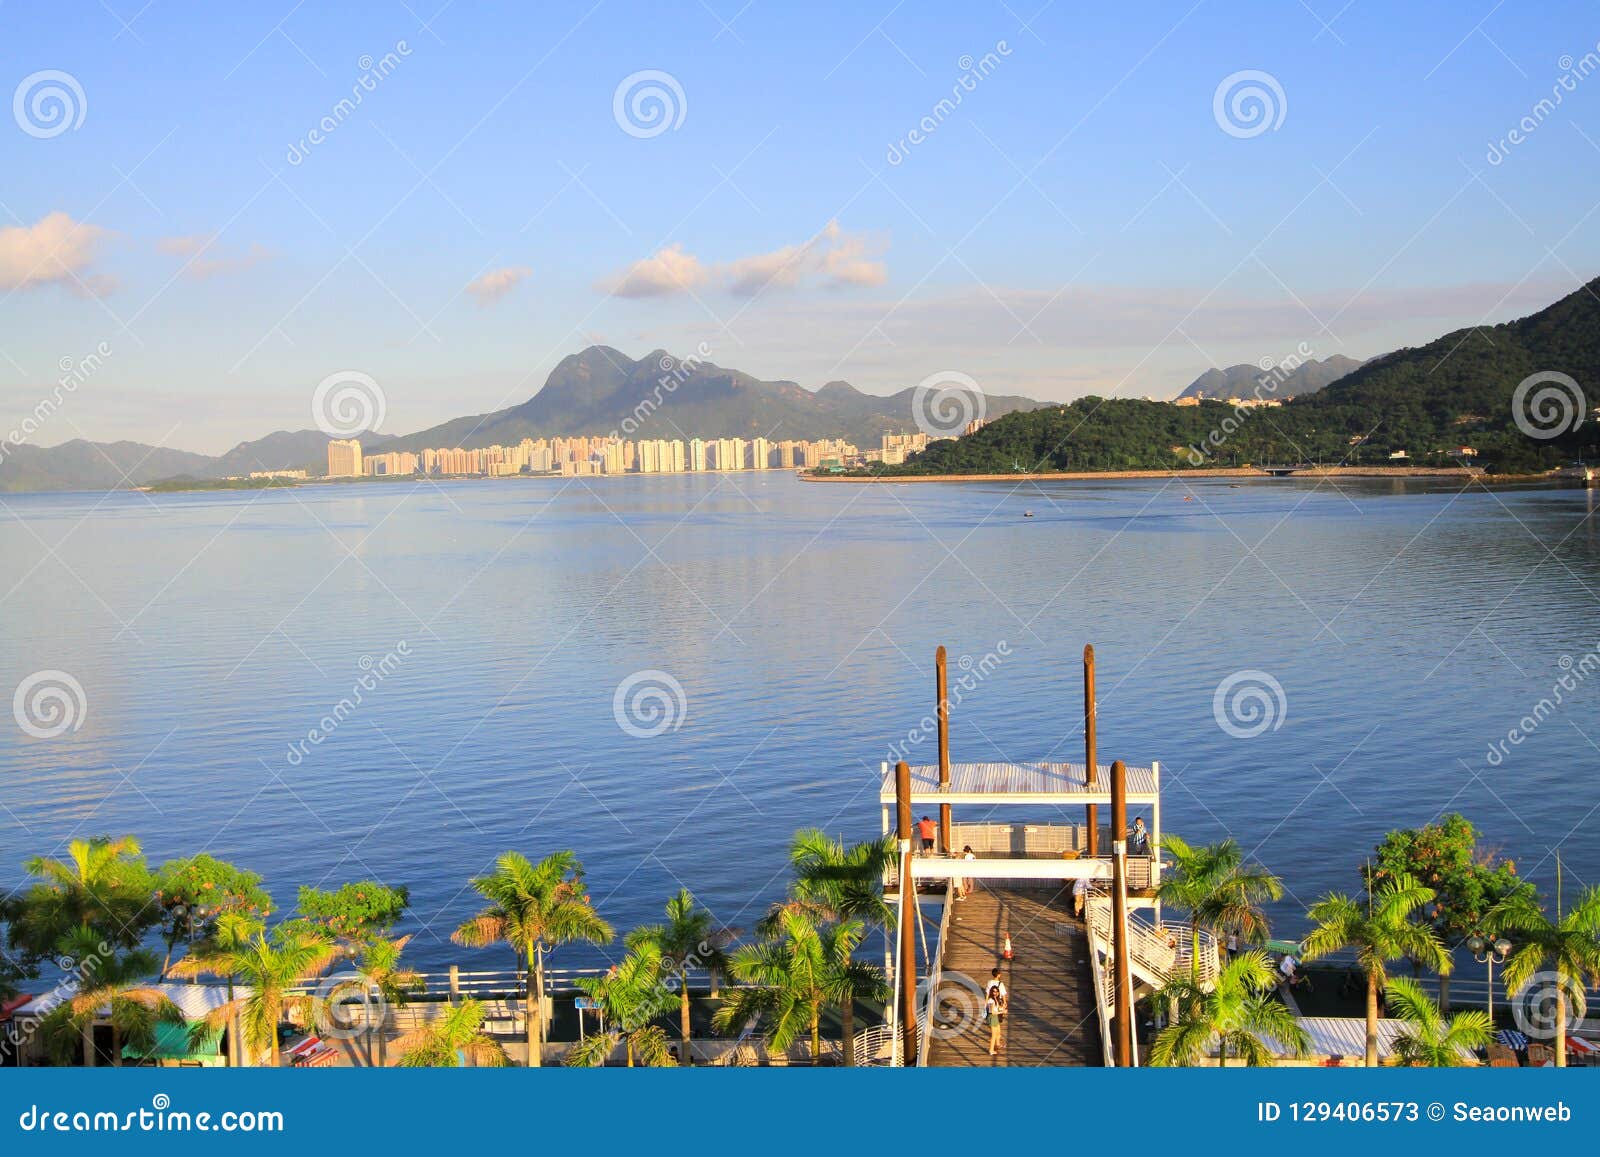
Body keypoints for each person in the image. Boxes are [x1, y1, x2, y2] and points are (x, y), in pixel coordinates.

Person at [984, 985, 1004, 1056]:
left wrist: (1002, 1008)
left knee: (998, 1032)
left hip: (995, 1017)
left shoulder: (996, 999)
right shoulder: (991, 1000)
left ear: (998, 992)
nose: (995, 993)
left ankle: (997, 1045)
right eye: (993, 991)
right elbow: (992, 1012)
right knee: (994, 1035)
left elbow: (997, 1009)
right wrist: (1002, 1012)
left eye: (996, 991)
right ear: (991, 992)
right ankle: (991, 1050)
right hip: (992, 1017)